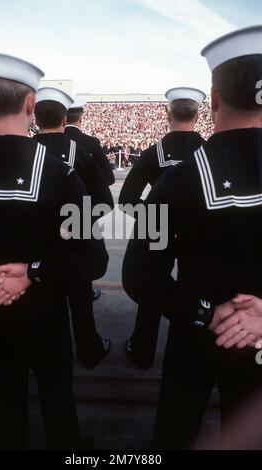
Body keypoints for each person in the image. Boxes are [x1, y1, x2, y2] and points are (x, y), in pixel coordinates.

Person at [123, 25, 262, 449]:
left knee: (176, 430)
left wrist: (206, 313)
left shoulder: (177, 181)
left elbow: (138, 275)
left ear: (215, 99)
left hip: (194, 332)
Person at [0, 52, 108, 449]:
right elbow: (94, 258)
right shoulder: (60, 173)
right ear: (31, 103)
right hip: (44, 311)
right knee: (56, 395)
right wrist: (33, 272)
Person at [119, 87, 205, 368]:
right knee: (199, 290)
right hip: (201, 232)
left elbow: (127, 199)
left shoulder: (153, 153)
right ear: (197, 114)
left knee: (155, 288)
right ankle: (192, 355)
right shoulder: (210, 151)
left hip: (161, 228)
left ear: (167, 115)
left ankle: (143, 350)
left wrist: (157, 221)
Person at [34, 87, 112, 367]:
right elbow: (104, 200)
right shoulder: (81, 152)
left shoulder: (24, 151)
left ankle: (50, 358)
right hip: (78, 242)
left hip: (37, 247)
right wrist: (76, 224)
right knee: (81, 302)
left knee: (44, 305)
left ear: (35, 116)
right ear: (64, 119)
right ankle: (89, 351)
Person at [66, 101, 115, 186]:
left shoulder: (52, 141)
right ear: (80, 119)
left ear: (64, 119)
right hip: (86, 196)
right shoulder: (92, 142)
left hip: (57, 198)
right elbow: (109, 177)